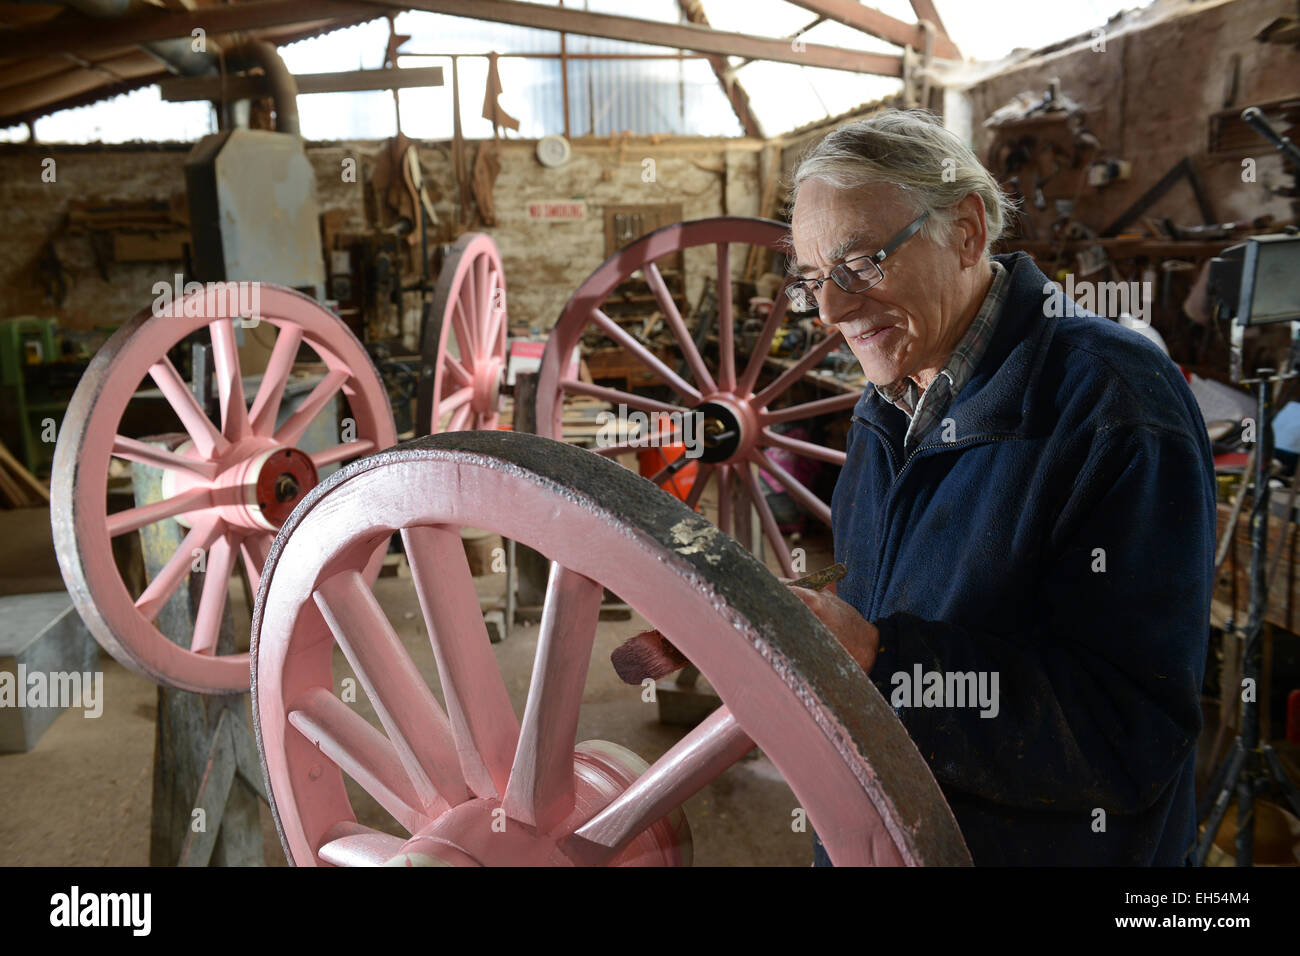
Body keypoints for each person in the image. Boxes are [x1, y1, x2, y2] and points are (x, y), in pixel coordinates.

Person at [784, 110, 1217, 866]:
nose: (831, 313)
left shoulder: (1113, 403)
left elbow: (1130, 735)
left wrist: (885, 663)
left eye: (860, 267)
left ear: (967, 232)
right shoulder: (886, 402)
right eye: (814, 281)